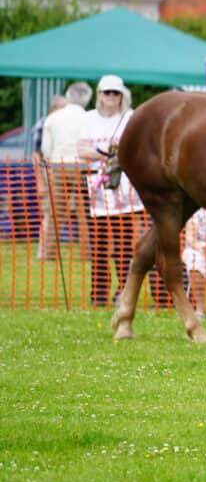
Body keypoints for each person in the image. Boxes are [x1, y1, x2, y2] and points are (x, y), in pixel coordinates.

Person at [76, 74, 143, 307]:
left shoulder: (130, 117)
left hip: (124, 185)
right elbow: (82, 151)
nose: (111, 97)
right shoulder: (88, 118)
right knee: (99, 245)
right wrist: (109, 151)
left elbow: (130, 150)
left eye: (116, 93)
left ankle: (123, 290)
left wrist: (101, 150)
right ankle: (99, 294)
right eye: (107, 93)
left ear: (122, 95)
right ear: (99, 95)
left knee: (125, 245)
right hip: (97, 188)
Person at [41, 82, 93, 260]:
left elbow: (46, 148)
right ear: (86, 98)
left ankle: (50, 253)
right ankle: (87, 253)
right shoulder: (89, 118)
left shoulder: (53, 118)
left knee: (57, 211)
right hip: (82, 166)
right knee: (84, 213)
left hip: (58, 165)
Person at [33, 93, 67, 259]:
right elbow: (36, 154)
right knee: (49, 213)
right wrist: (41, 180)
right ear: (54, 108)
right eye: (63, 107)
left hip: (62, 170)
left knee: (60, 213)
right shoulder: (44, 124)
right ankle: (44, 251)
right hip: (49, 172)